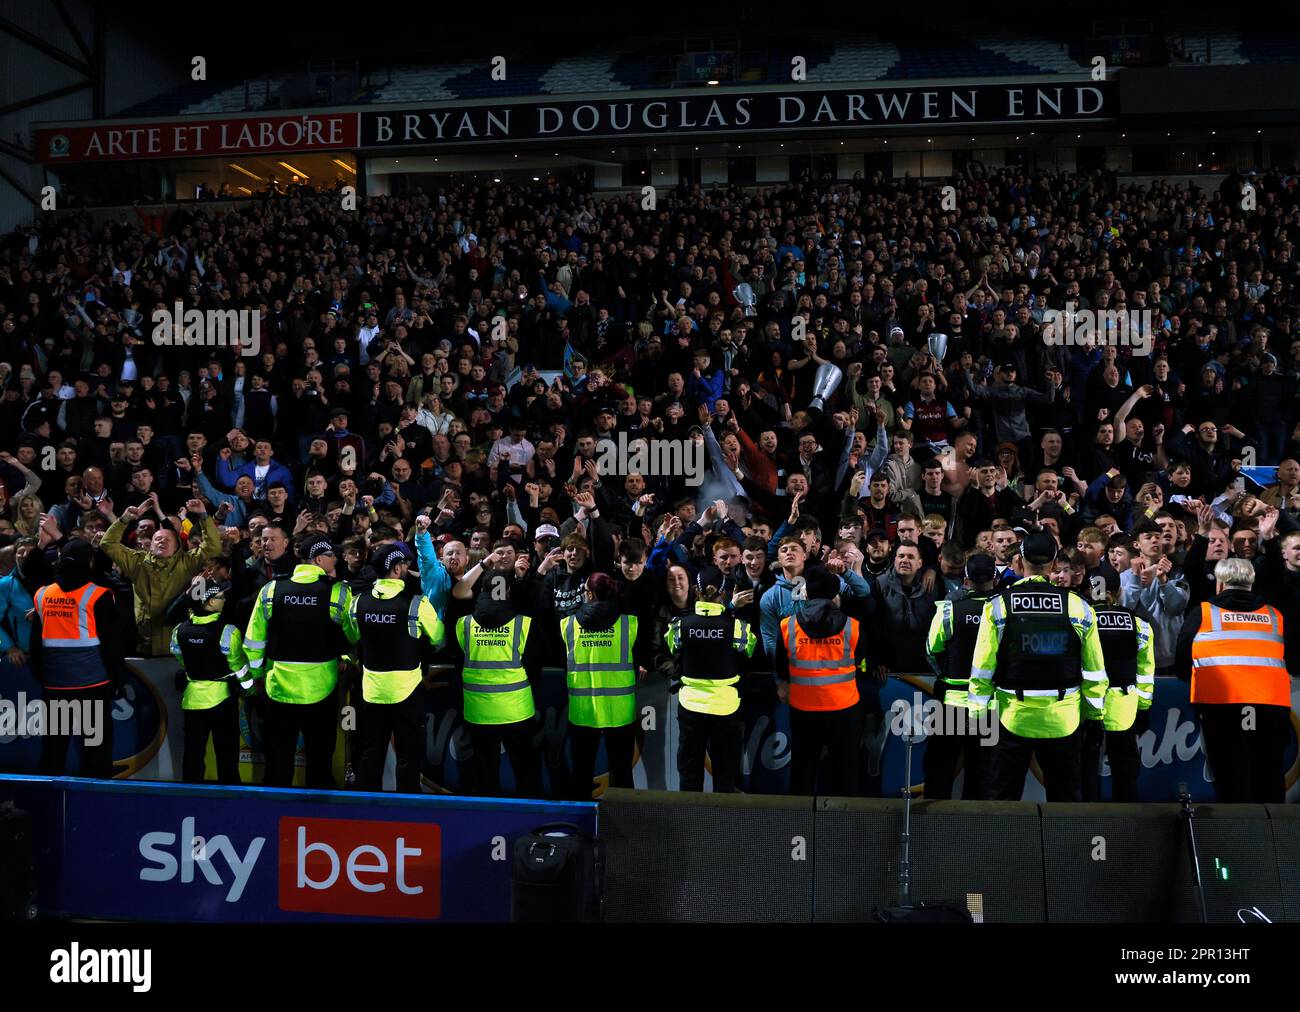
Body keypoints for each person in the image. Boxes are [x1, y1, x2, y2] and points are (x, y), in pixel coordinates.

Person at [969, 529, 1108, 802]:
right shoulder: (1079, 607)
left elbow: (982, 669)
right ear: (1055, 565)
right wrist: (1095, 718)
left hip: (1011, 718)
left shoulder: (997, 606)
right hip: (1064, 720)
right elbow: (1094, 672)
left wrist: (976, 717)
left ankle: (1006, 846)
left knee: (1003, 801)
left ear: (1019, 562)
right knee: (1066, 801)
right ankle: (1065, 846)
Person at [1174, 558, 1290, 803]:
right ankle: (1274, 836)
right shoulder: (1274, 615)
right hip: (1272, 706)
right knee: (1269, 773)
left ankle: (1234, 833)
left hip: (1221, 705)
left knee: (1230, 773)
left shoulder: (1203, 612)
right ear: (1251, 582)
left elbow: (1183, 652)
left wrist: (1187, 676)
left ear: (1221, 583)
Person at [243, 537, 354, 788]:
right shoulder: (338, 591)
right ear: (318, 559)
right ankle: (317, 820)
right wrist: (346, 657)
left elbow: (253, 641)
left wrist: (257, 676)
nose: (335, 559)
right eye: (331, 555)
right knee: (320, 760)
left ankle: (273, 819)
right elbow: (352, 636)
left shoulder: (271, 589)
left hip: (278, 689)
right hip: (322, 689)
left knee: (278, 762)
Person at [346, 545, 445, 793]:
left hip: (371, 691)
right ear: (397, 568)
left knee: (370, 754)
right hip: (407, 692)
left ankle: (366, 814)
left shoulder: (357, 603)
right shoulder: (416, 604)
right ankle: (407, 814)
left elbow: (351, 635)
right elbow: (438, 638)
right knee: (408, 757)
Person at [29, 539, 126, 778]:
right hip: (92, 684)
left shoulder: (42, 594)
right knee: (95, 748)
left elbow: (35, 642)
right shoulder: (100, 595)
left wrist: (43, 676)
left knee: (54, 747)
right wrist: (118, 679)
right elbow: (111, 644)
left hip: (55, 684)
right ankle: (95, 804)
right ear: (90, 561)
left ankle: (49, 804)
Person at [775, 565, 869, 796]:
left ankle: (800, 829)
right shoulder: (852, 627)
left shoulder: (787, 626)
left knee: (802, 774)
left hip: (803, 711)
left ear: (806, 593)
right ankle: (844, 828)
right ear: (835, 595)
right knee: (846, 775)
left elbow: (781, 668)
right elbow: (862, 665)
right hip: (844, 710)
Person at [664, 578, 756, 792]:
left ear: (696, 591)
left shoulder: (679, 624)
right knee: (725, 774)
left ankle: (689, 822)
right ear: (724, 595)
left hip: (691, 706)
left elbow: (672, 647)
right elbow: (750, 650)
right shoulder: (737, 627)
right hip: (726, 707)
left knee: (689, 771)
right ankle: (721, 823)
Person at [455, 571, 542, 797]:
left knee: (486, 775)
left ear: (482, 590)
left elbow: (458, 664)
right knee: (525, 772)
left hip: (478, 712)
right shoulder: (524, 624)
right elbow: (534, 669)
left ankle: (488, 824)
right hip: (517, 711)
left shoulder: (463, 624)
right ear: (509, 591)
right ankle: (529, 824)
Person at [99, 497, 222, 656]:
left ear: (177, 546)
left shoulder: (188, 562)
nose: (162, 542)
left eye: (167, 539)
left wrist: (203, 515)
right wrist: (124, 520)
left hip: (177, 645)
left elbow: (213, 548)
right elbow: (107, 544)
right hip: (144, 645)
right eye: (157, 539)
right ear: (150, 545)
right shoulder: (138, 562)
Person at [924, 553, 999, 800]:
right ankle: (974, 834)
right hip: (988, 705)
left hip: (950, 705)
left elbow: (931, 650)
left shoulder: (948, 610)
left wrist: (946, 673)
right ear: (995, 578)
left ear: (965, 578)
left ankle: (934, 831)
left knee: (939, 771)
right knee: (982, 774)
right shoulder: (1003, 613)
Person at [561, 571, 639, 799]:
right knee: (623, 774)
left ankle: (580, 827)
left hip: (584, 710)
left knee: (581, 774)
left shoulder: (568, 625)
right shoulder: (629, 623)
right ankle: (625, 826)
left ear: (589, 594)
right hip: (620, 711)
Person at [1081, 568, 1155, 803]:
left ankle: (1085, 824)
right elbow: (1145, 673)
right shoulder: (1139, 625)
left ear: (1089, 592)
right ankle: (1127, 827)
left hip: (1085, 707)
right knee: (1125, 772)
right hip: (1124, 709)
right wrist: (1143, 708)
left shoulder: (1081, 621)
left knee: (1086, 771)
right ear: (1120, 591)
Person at [169, 580, 249, 785]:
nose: (224, 601)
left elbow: (180, 657)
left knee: (193, 756)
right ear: (210, 602)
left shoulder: (180, 630)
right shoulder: (227, 631)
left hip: (192, 700)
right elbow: (238, 665)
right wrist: (249, 689)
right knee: (227, 756)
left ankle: (190, 799)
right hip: (222, 700)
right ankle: (230, 801)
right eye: (221, 597)